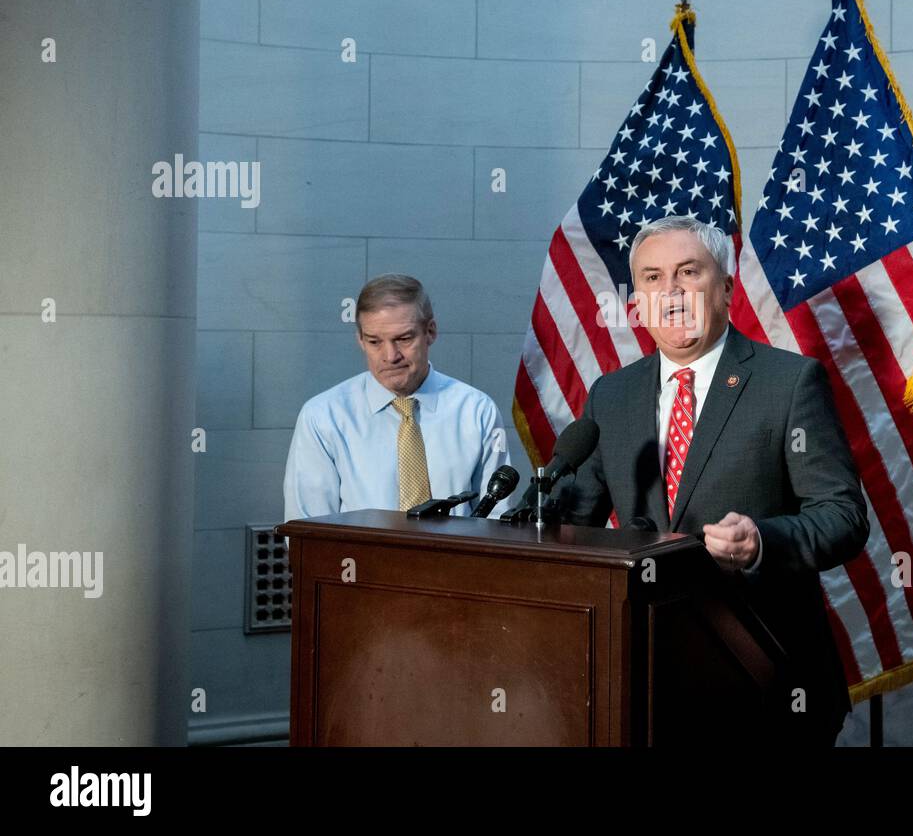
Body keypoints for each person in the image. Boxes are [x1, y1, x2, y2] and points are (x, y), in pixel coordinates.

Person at [555, 215, 870, 744]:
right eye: (652, 278)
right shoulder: (612, 395)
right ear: (637, 301)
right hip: (644, 682)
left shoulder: (790, 382)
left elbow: (843, 516)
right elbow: (572, 517)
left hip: (766, 677)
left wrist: (761, 542)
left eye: (688, 272)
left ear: (725, 288)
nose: (670, 290)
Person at [284, 274, 511, 522]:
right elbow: (310, 531)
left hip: (456, 562)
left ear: (430, 332)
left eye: (403, 339)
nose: (390, 356)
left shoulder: (476, 411)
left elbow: (495, 522)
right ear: (360, 340)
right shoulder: (323, 417)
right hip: (358, 562)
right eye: (374, 342)